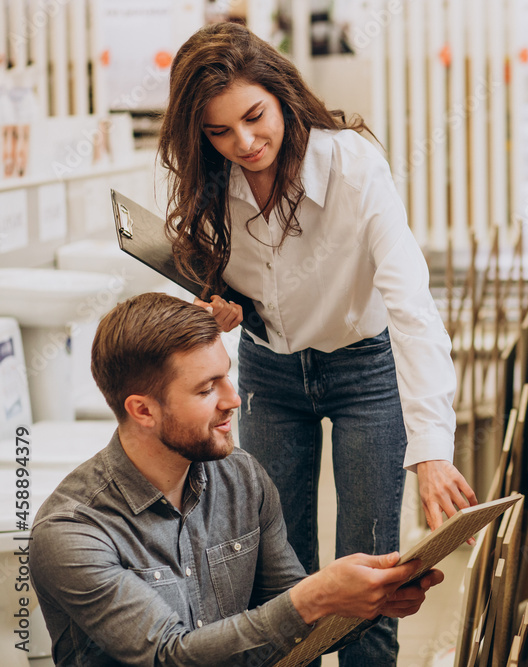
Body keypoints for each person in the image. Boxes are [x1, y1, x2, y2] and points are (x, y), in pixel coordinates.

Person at [157, 21, 477, 666]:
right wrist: (222, 306)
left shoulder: (353, 167)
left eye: (254, 118)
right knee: (280, 582)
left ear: (280, 94)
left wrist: (433, 448)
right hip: (269, 375)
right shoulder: (210, 180)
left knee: (375, 581)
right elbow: (244, 286)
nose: (243, 143)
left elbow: (411, 304)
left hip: (365, 371)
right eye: (219, 131)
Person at [29, 293, 443, 666]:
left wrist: (370, 602)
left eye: (227, 376)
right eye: (207, 389)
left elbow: (289, 626)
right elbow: (171, 657)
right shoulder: (72, 533)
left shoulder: (241, 477)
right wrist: (314, 597)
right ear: (143, 410)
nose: (234, 399)